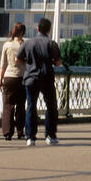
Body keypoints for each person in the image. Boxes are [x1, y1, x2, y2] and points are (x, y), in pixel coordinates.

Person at [20, 18, 63, 146]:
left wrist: (29, 63)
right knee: (51, 106)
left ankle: (30, 137)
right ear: (49, 30)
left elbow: (18, 58)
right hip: (47, 77)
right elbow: (58, 62)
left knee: (31, 106)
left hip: (31, 78)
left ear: (37, 28)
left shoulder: (28, 43)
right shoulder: (52, 43)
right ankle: (50, 135)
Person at [0, 23, 27, 140]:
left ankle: (7, 132)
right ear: (23, 33)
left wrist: (0, 80)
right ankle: (20, 131)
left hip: (9, 77)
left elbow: (2, 65)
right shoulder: (25, 45)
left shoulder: (7, 45)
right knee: (20, 106)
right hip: (22, 77)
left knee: (8, 106)